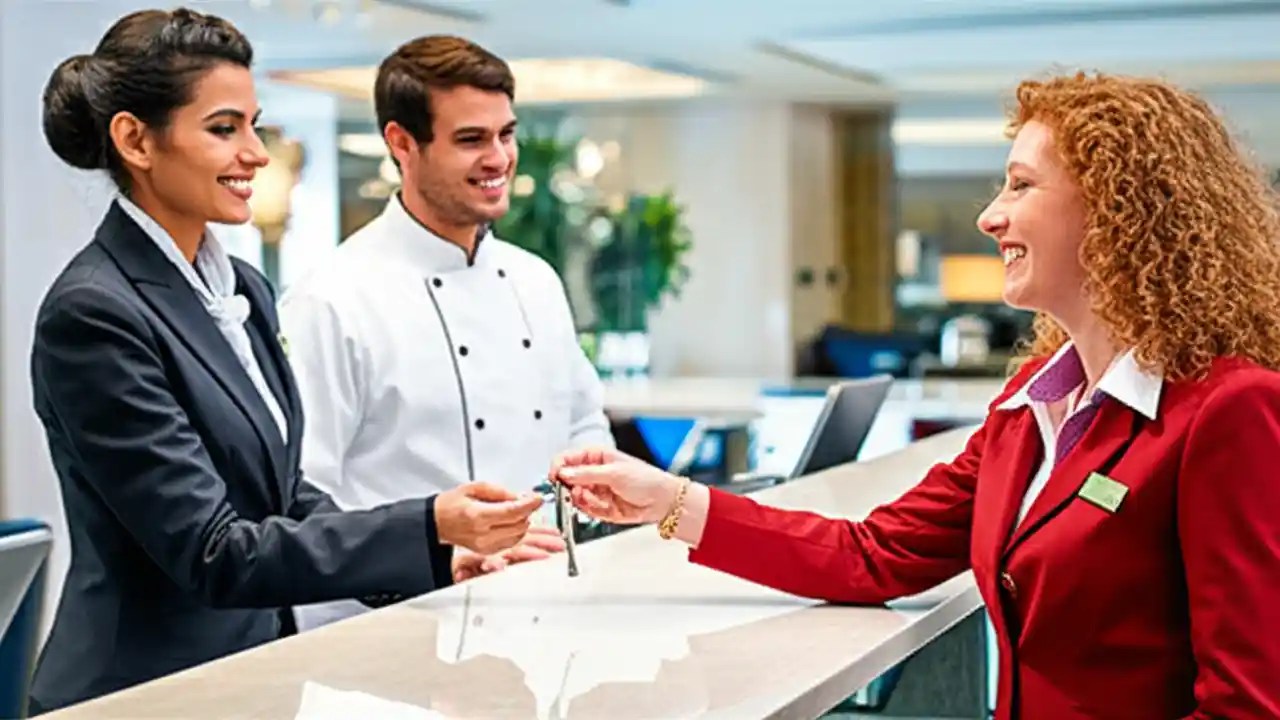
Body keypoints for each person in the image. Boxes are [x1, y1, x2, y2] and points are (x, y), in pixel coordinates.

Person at [552, 72, 1280, 720]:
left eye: (1021, 186)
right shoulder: (1033, 403)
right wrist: (668, 501)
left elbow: (1248, 704)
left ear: (1117, 210)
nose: (989, 217)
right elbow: (873, 555)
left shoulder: (1229, 409)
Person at [29, 9, 542, 713]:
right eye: (223, 128)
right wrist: (430, 522)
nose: (257, 152)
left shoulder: (241, 287)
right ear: (135, 140)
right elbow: (212, 551)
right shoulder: (94, 313)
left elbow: (285, 495)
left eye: (252, 123)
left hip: (250, 678)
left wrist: (433, 558)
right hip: (139, 694)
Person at [277, 35, 613, 631]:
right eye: (470, 140)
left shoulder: (536, 280)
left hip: (541, 618)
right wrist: (437, 558)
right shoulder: (330, 299)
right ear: (401, 144)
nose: (499, 159)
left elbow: (584, 424)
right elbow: (305, 506)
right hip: (387, 634)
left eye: (505, 134)